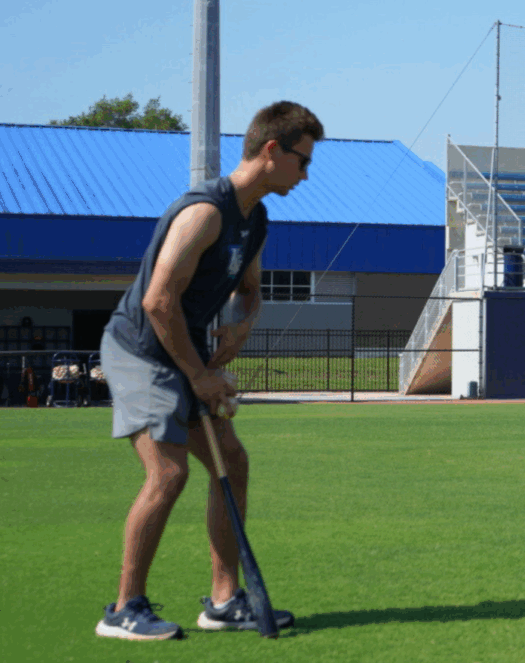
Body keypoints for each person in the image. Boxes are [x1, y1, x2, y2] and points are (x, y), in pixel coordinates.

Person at [94, 101, 320, 640]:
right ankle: (124, 609)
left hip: (185, 349)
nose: (306, 174)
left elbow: (249, 291)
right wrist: (199, 376)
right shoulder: (205, 213)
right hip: (141, 350)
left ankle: (223, 602)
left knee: (232, 463)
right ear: (272, 151)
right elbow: (157, 302)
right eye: (302, 161)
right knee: (169, 472)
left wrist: (243, 324)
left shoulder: (256, 219)